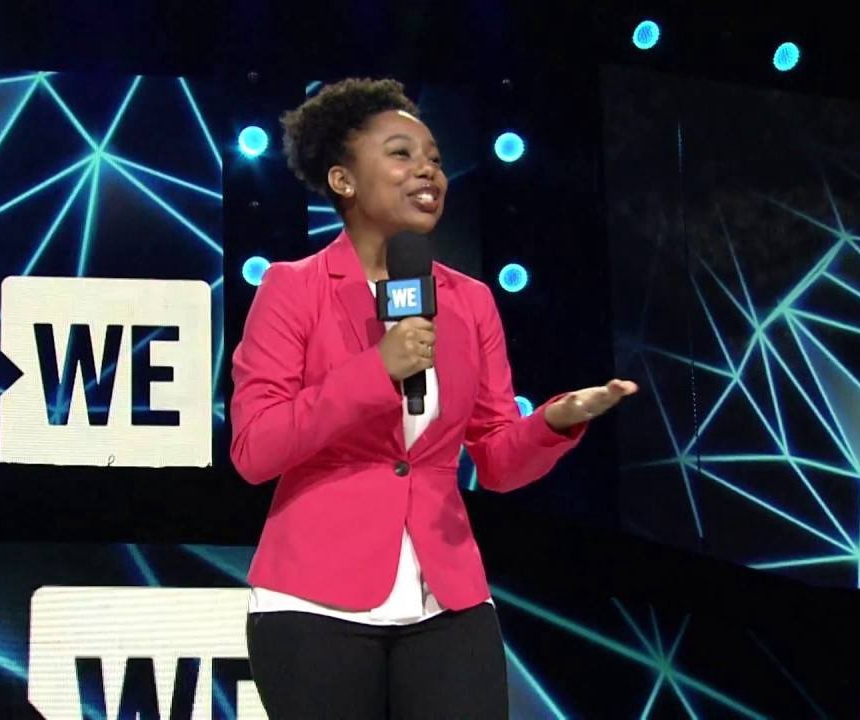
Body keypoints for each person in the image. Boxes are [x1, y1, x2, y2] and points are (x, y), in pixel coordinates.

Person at [229, 78, 638, 719]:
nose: (427, 170)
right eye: (400, 154)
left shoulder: (469, 299)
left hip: (447, 598)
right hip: (314, 602)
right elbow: (256, 450)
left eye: (437, 159)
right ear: (343, 181)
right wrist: (375, 372)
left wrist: (554, 424)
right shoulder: (292, 288)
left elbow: (497, 461)